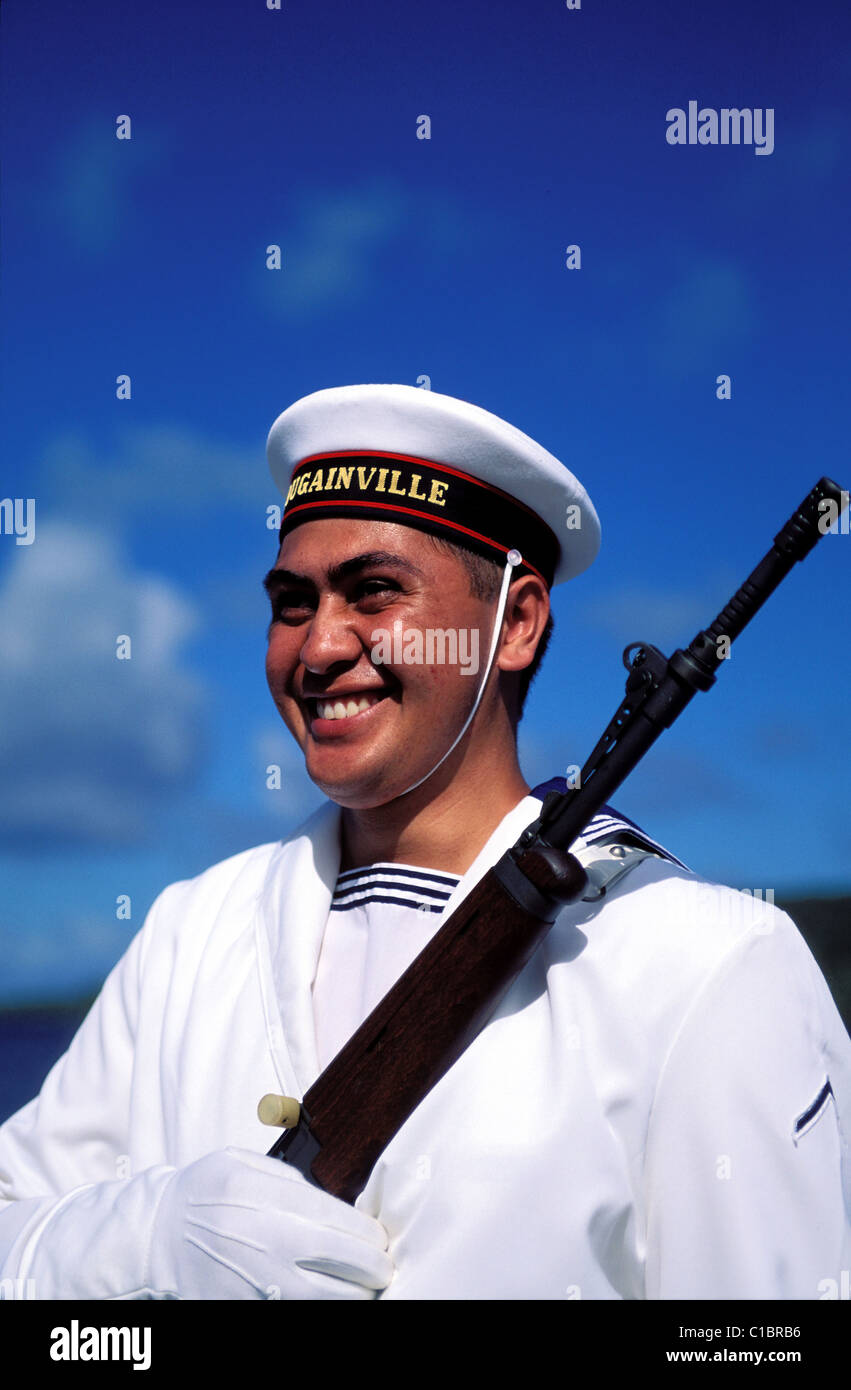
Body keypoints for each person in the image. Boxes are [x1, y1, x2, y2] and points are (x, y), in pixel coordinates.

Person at [0, 383, 849, 1300]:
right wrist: (138, 1242)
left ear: (513, 624)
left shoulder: (708, 968)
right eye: (291, 602)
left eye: (374, 591)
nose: (318, 646)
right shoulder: (188, 935)